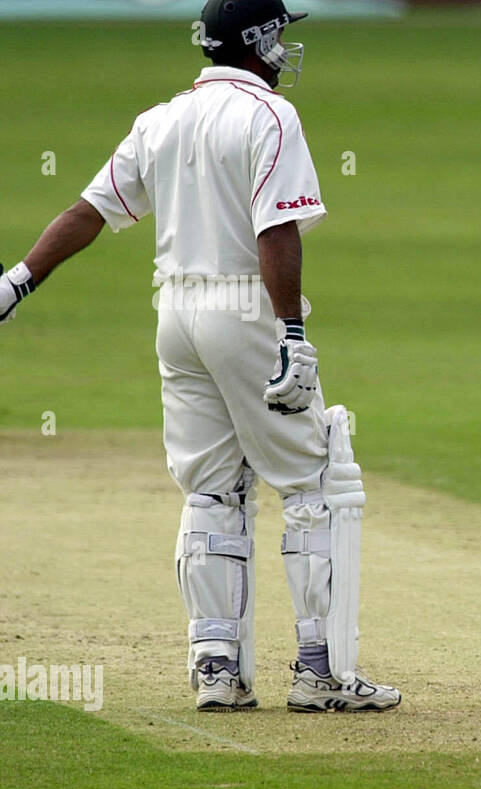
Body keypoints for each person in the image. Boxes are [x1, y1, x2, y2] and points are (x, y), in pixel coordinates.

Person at [0, 0, 399, 713]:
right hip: (243, 309)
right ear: (258, 41)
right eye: (279, 34)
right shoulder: (269, 117)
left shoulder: (160, 120)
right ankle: (321, 672)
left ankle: (217, 669)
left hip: (175, 316)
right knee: (313, 482)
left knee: (212, 489)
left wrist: (19, 279)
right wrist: (292, 337)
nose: (284, 49)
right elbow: (278, 231)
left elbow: (89, 211)